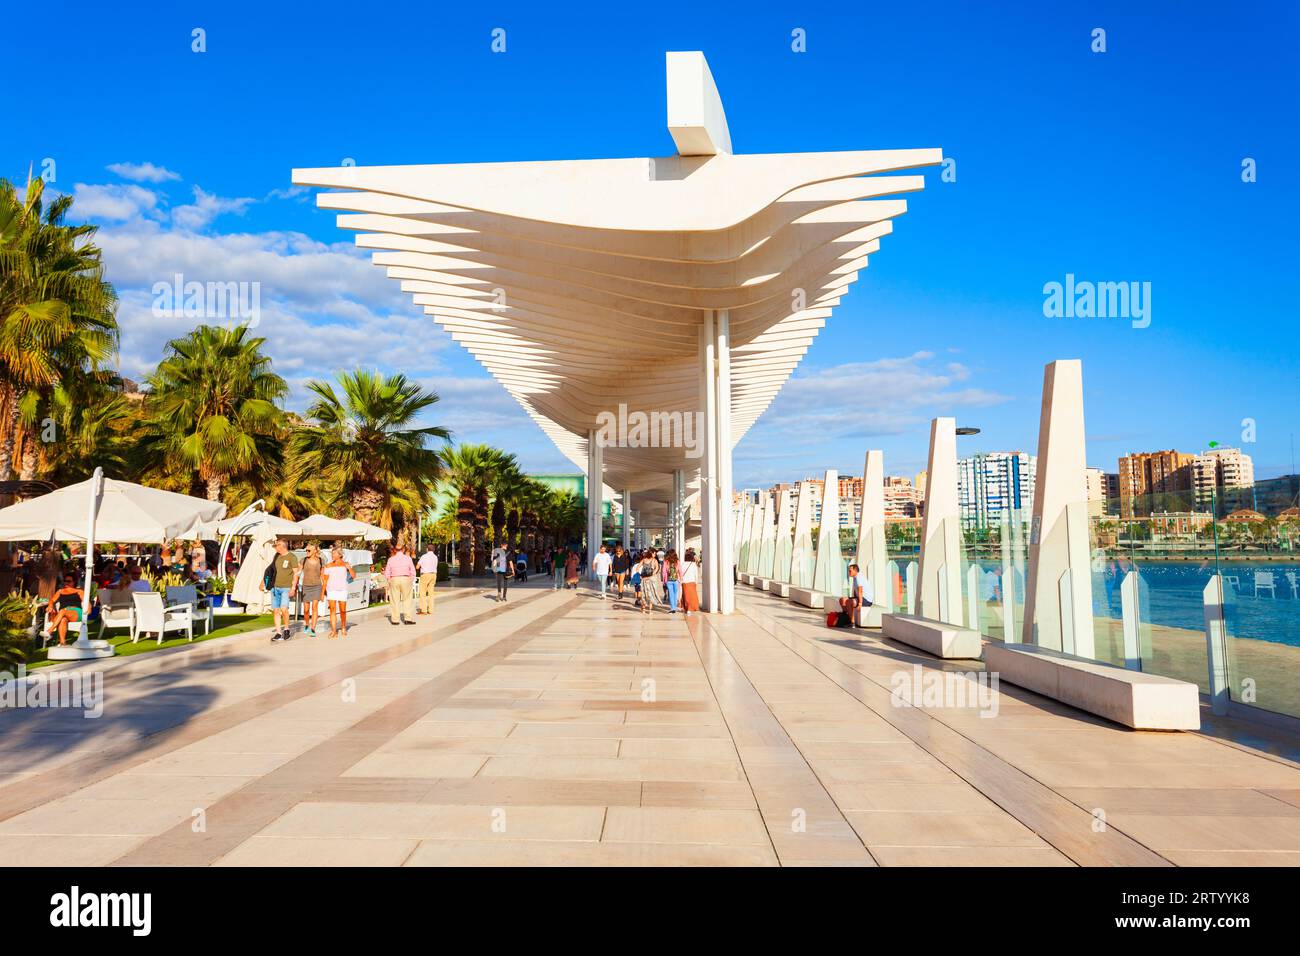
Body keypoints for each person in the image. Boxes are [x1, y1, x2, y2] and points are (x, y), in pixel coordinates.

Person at [266, 539, 299, 643]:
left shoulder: (292, 557)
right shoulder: (276, 556)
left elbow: (296, 574)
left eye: (276, 546)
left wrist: (293, 588)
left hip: (286, 587)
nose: (275, 548)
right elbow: (270, 570)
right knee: (276, 610)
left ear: (282, 546)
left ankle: (286, 629)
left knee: (284, 609)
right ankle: (279, 633)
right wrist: (264, 582)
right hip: (275, 587)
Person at [323, 547, 355, 638]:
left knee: (343, 611)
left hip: (342, 589)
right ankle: (333, 631)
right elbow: (325, 580)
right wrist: (322, 593)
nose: (332, 555)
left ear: (340, 555)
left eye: (334, 554)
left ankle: (343, 627)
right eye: (332, 554)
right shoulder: (328, 565)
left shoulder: (346, 564)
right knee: (332, 610)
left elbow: (353, 576)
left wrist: (350, 568)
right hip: (331, 590)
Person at [45, 574, 85, 647]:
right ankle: (63, 643)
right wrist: (50, 605)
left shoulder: (79, 591)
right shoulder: (60, 591)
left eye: (69, 581)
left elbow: (86, 601)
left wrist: (89, 606)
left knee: (62, 611)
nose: (66, 583)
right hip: (62, 614)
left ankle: (50, 631)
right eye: (65, 581)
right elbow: (52, 600)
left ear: (74, 582)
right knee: (63, 619)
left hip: (75, 612)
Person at [297, 543, 324, 638]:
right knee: (306, 610)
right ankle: (307, 624)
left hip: (317, 586)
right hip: (306, 586)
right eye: (306, 550)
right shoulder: (303, 560)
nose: (307, 552)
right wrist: (294, 584)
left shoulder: (321, 561)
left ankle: (313, 628)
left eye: (309, 550)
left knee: (315, 608)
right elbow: (298, 573)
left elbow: (322, 576)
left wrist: (324, 589)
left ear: (315, 551)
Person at [384, 544, 417, 624]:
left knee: (395, 600)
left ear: (395, 550)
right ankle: (407, 619)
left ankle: (395, 620)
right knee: (407, 599)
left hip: (394, 579)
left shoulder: (391, 559)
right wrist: (411, 579)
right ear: (403, 550)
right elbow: (413, 570)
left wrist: (389, 580)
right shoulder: (408, 558)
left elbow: (387, 571)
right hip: (405, 579)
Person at [637, 549, 662, 614]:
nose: (655, 555)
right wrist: (652, 574)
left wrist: (639, 575)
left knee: (644, 594)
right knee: (651, 594)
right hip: (651, 580)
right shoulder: (654, 560)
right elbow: (657, 568)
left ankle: (643, 609)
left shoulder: (644, 560)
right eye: (654, 553)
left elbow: (638, 567)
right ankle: (650, 610)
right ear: (652, 554)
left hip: (643, 579)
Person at [416, 545, 439, 615]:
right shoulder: (435, 557)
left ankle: (424, 610)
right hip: (433, 575)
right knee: (431, 593)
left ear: (427, 549)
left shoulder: (424, 556)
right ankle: (431, 610)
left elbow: (417, 566)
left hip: (425, 574)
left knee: (422, 592)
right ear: (434, 550)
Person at [680, 548, 700, 615]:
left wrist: (680, 580)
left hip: (684, 582)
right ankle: (690, 608)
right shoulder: (693, 564)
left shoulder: (682, 564)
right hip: (692, 581)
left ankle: (686, 607)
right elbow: (696, 574)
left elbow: (681, 573)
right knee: (692, 596)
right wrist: (696, 581)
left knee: (685, 595)